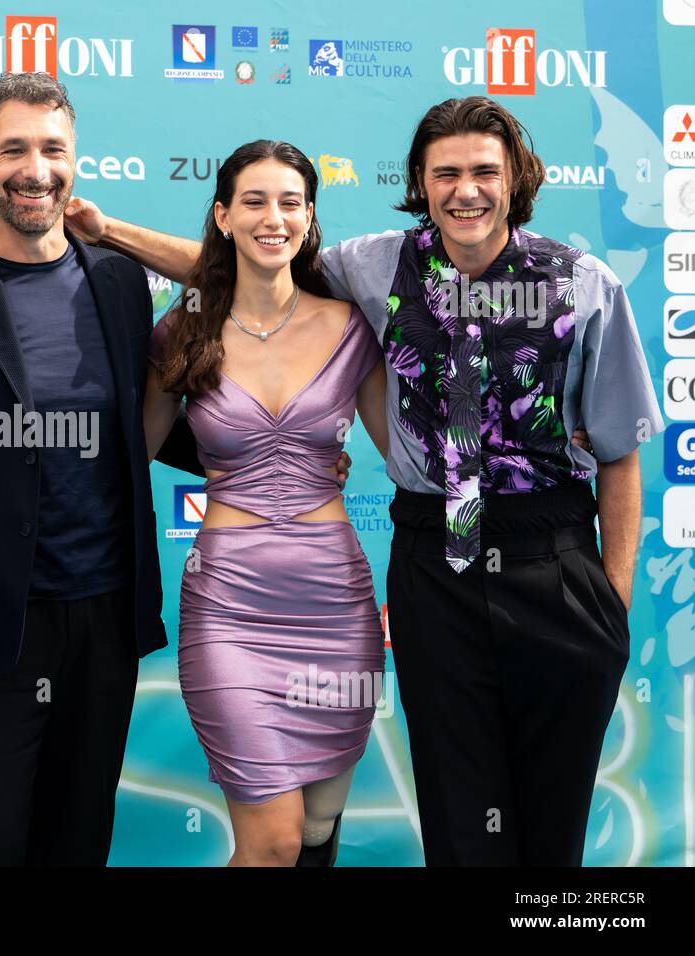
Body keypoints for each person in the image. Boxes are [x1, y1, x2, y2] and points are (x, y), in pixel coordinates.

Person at [66, 96, 662, 866]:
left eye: (485, 171)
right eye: (445, 173)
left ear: (516, 179)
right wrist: (106, 230)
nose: (465, 190)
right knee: (457, 814)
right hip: (432, 559)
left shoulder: (584, 284)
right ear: (420, 180)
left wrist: (609, 606)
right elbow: (250, 268)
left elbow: (619, 454)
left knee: (551, 829)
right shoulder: (375, 265)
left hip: (552, 555)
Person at [0, 72, 209, 865]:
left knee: (77, 840)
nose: (35, 169)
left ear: (75, 157)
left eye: (53, 149)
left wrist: (254, 458)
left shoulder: (119, 280)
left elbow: (131, 421)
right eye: (12, 149)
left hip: (104, 615)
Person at [142, 140, 390, 867]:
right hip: (229, 606)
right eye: (253, 201)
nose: (272, 217)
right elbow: (125, 457)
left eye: (290, 202)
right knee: (274, 842)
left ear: (310, 219)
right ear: (221, 217)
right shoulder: (181, 328)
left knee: (315, 834)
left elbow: (417, 459)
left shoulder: (352, 328)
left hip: (334, 604)